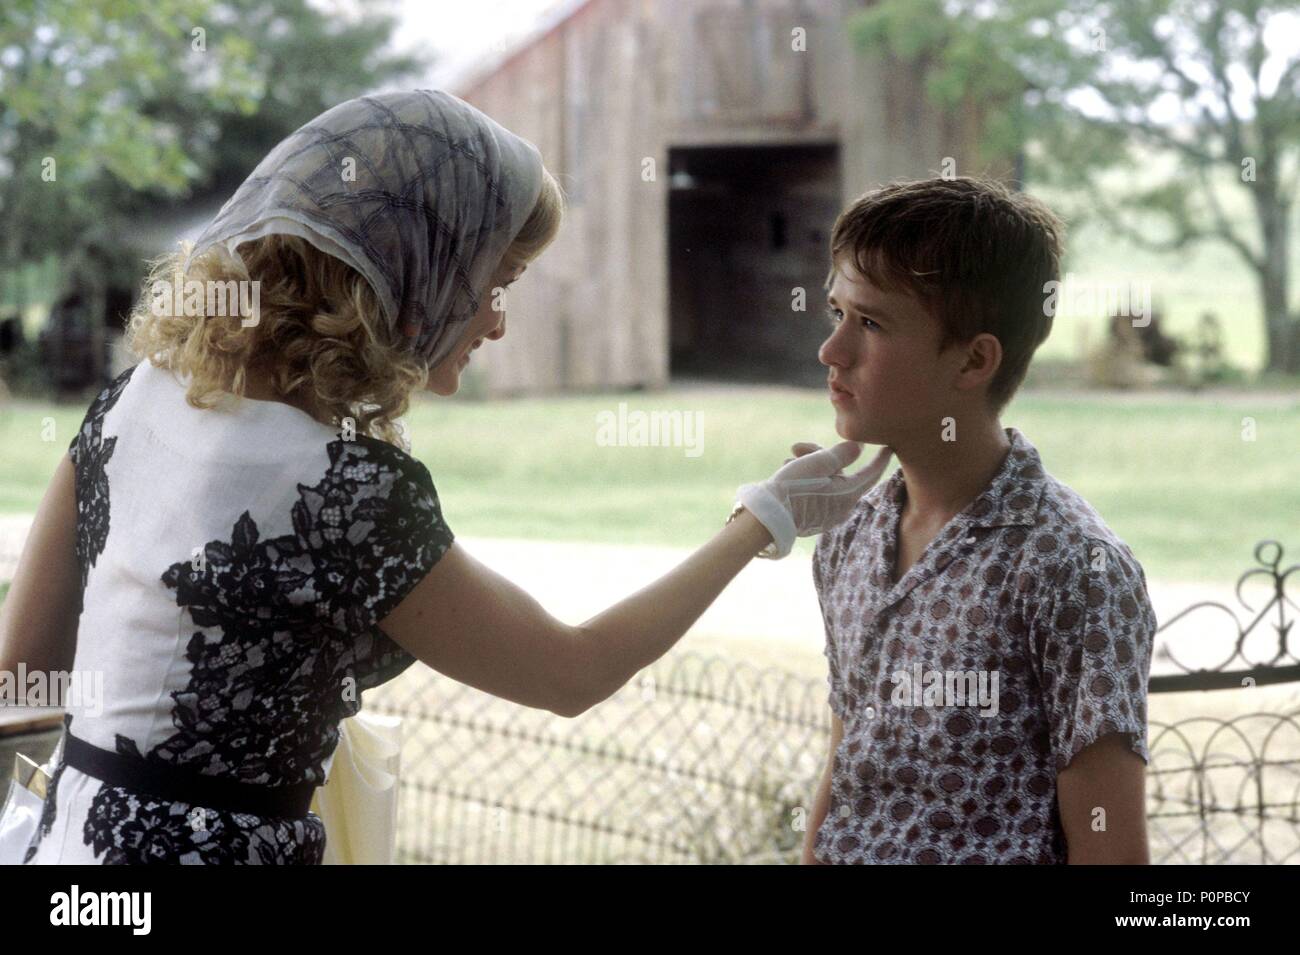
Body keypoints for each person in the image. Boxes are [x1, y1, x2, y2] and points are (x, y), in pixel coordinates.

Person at [0, 89, 888, 864]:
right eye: (495, 279)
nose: (497, 321)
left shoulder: (126, 408)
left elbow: (20, 680)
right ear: (405, 263)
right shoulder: (344, 492)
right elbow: (568, 672)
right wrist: (763, 519)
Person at [802, 177, 1156, 865]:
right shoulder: (848, 533)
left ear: (973, 359)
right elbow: (845, 769)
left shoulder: (1071, 567)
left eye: (870, 323)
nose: (832, 352)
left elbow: (1112, 853)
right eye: (834, 313)